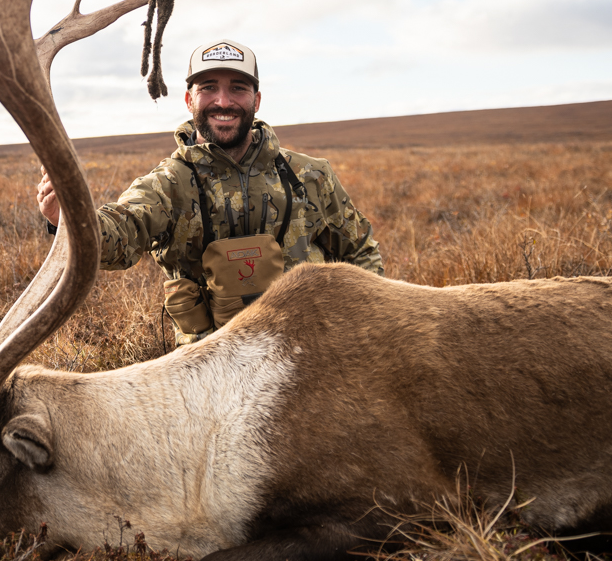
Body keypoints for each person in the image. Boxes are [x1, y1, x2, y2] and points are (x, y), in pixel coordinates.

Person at [37, 38, 383, 345]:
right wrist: (67, 218)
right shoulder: (167, 183)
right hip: (209, 366)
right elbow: (117, 237)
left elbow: (361, 251)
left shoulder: (310, 174)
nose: (223, 101)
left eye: (238, 88)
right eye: (208, 88)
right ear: (189, 99)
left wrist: (363, 330)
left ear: (257, 100)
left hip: (309, 351)